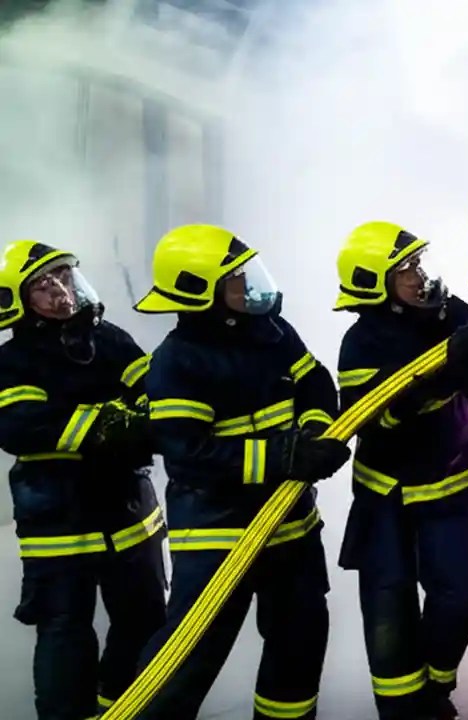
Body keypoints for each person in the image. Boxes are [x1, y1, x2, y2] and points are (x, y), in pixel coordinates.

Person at [132, 224, 351, 720]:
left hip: (290, 528)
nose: (249, 287)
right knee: (186, 660)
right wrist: (284, 458)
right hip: (219, 535)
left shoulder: (272, 332)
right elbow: (190, 453)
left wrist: (316, 433)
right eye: (236, 280)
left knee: (300, 643)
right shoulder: (176, 362)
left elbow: (314, 381)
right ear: (200, 292)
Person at [333, 221, 468, 720]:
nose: (418, 276)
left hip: (448, 486)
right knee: (390, 610)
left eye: (417, 263)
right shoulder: (361, 343)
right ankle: (401, 710)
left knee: (459, 598)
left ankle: (434, 690)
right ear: (374, 284)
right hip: (385, 496)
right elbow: (378, 420)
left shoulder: (453, 314)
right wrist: (433, 381)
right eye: (405, 269)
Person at [0, 240, 167, 720]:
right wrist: (113, 425)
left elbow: (157, 396)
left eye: (64, 277)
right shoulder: (14, 362)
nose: (60, 290)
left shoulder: (110, 339)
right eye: (43, 285)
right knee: (64, 631)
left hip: (129, 517)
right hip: (60, 524)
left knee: (144, 624)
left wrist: (133, 424)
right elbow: (24, 427)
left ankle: (118, 709)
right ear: (17, 302)